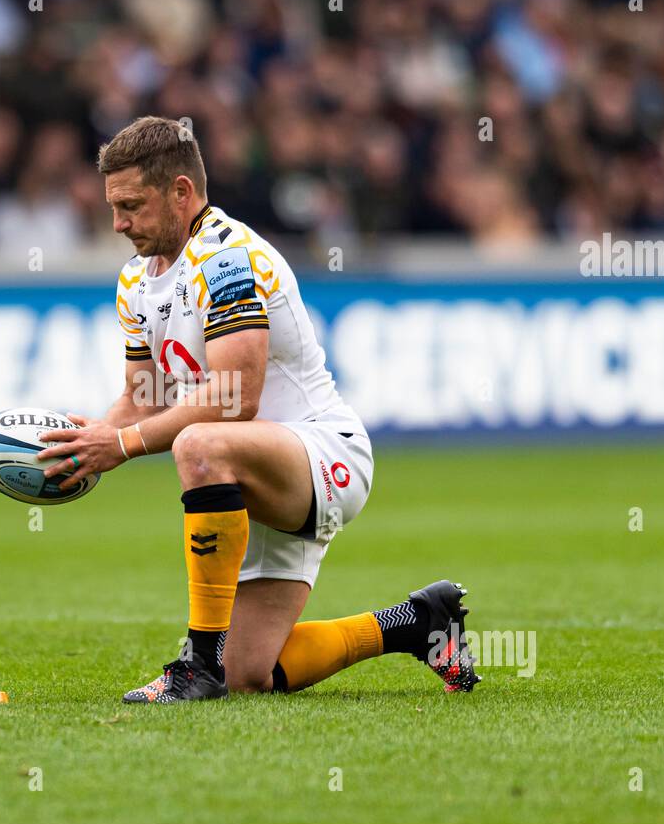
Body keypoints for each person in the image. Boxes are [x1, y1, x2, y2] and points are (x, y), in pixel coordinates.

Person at [37, 116, 479, 703]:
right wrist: (89, 440)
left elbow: (233, 397)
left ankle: (196, 665)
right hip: (250, 473)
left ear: (180, 193)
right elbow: (142, 397)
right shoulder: (136, 282)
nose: (118, 224)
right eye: (113, 207)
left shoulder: (227, 259)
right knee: (251, 675)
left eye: (131, 206)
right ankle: (419, 623)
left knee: (199, 442)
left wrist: (119, 448)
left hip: (319, 452)